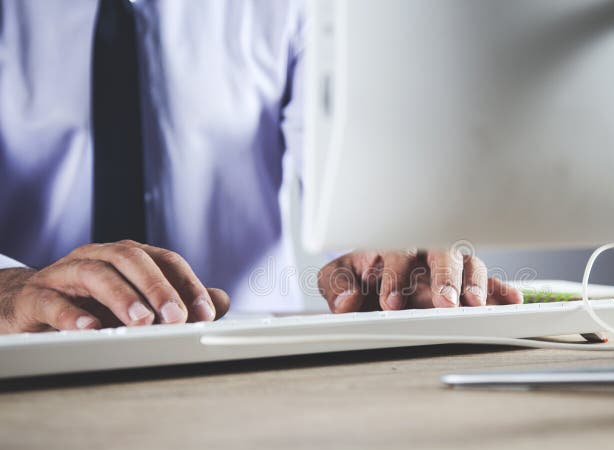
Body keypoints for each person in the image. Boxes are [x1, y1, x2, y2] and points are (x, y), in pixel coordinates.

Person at [0, 0, 521, 334]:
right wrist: (9, 289)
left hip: (243, 357)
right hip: (25, 361)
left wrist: (390, 251)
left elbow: (348, 175)